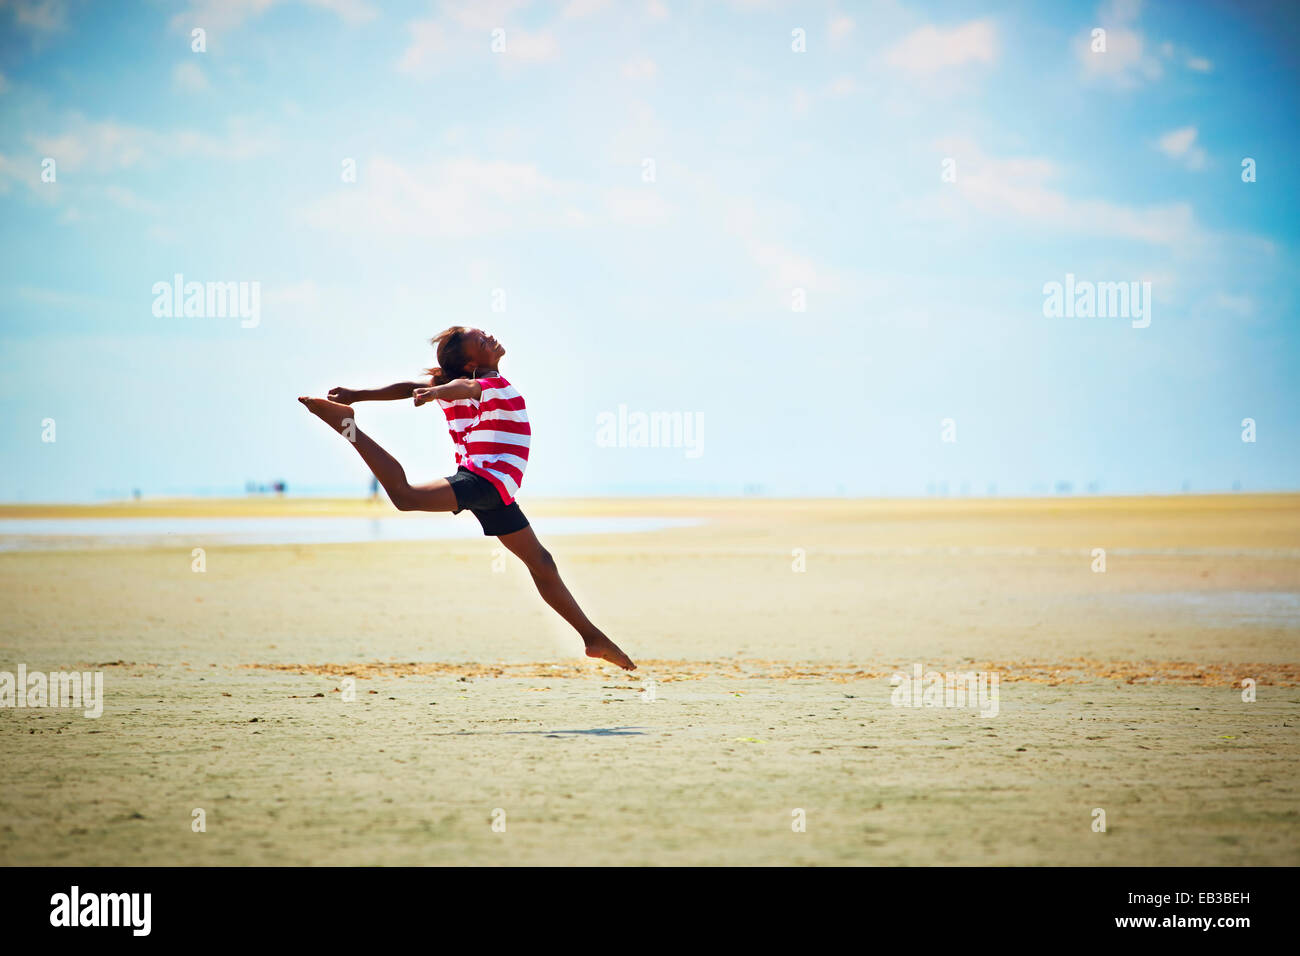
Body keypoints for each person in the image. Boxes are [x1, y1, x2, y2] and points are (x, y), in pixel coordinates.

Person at [298, 326, 635, 670]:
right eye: (481, 340)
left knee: (542, 564)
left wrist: (360, 392)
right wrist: (434, 391)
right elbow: (466, 386)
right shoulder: (486, 385)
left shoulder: (463, 388)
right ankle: (347, 427)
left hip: (497, 491)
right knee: (405, 496)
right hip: (482, 481)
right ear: (472, 360)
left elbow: (411, 388)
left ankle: (592, 637)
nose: (490, 337)